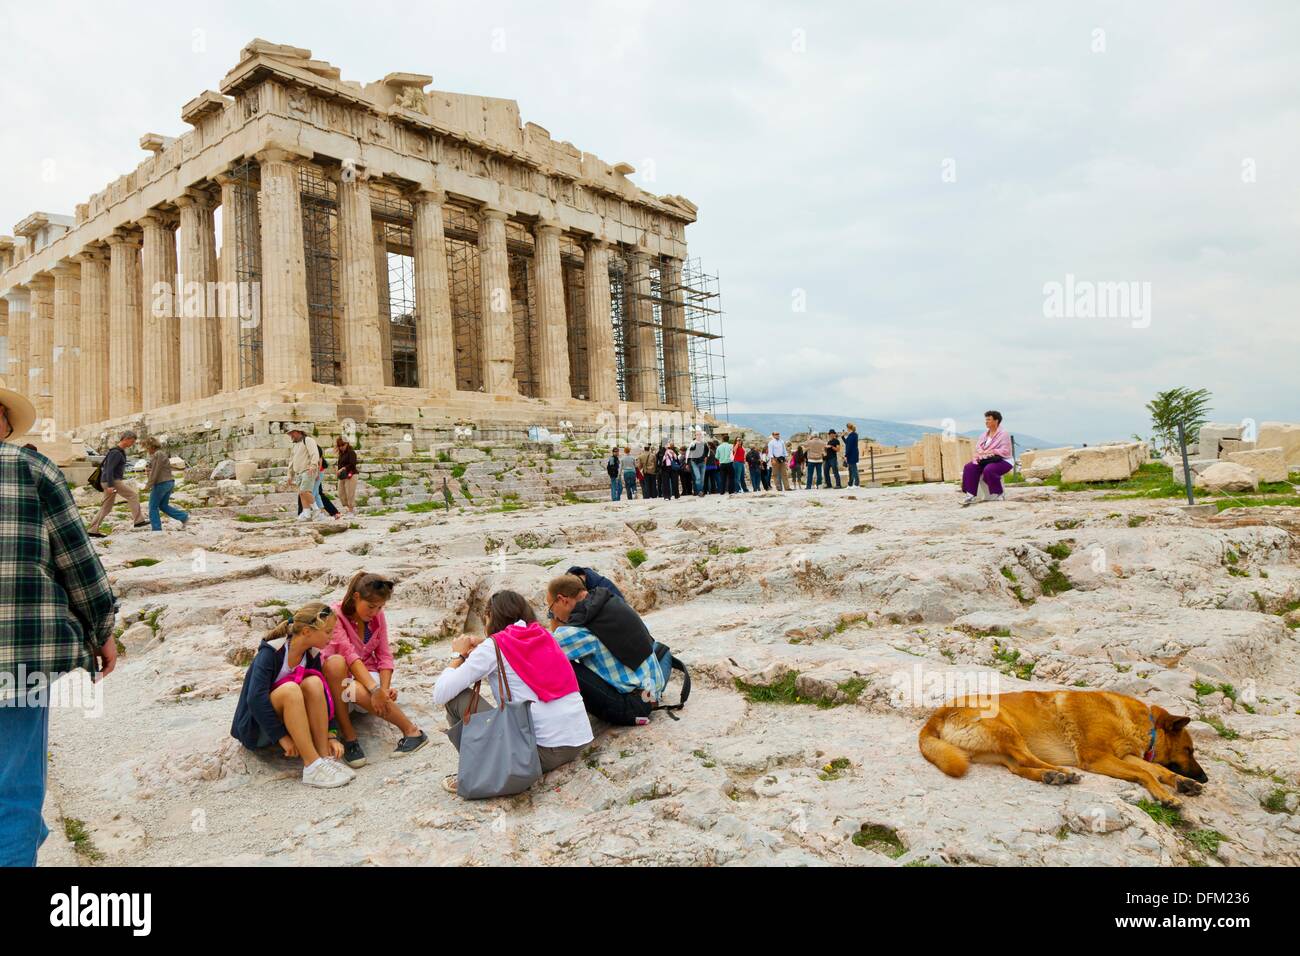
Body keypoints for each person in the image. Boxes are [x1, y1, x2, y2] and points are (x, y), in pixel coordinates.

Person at [0, 383, 118, 865]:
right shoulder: (29, 468)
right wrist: (102, 630)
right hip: (19, 654)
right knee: (14, 789)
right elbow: (77, 559)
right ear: (4, 424)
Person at [434, 590, 593, 794]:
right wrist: (483, 644)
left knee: (456, 698)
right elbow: (513, 647)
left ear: (491, 616)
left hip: (541, 753)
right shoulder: (542, 634)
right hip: (576, 742)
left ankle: (481, 770)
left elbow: (440, 693)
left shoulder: (494, 647)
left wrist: (458, 655)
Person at [230, 602, 354, 788]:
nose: (332, 636)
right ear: (306, 632)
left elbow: (325, 695)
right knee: (290, 689)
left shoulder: (311, 654)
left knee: (314, 682)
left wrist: (332, 735)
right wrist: (280, 736)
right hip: (258, 730)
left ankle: (323, 758)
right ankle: (312, 766)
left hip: (289, 722)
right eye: (328, 631)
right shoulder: (272, 652)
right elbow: (255, 698)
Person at [321, 571, 427, 768]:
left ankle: (413, 733)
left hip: (365, 679)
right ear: (356, 597)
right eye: (371, 606)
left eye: (380, 607)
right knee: (341, 672)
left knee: (354, 688)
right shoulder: (335, 616)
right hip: (338, 686)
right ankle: (351, 738)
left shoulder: (378, 617)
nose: (375, 612)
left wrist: (384, 690)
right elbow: (350, 656)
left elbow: (385, 655)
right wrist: (375, 690)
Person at [545, 574, 668, 725]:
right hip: (652, 694)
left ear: (563, 600)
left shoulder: (582, 629)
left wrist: (556, 621)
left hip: (634, 707)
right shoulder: (610, 602)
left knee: (561, 665)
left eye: (551, 610)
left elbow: (543, 653)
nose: (553, 616)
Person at [86, 430, 147, 536]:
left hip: (110, 481)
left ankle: (93, 529)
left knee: (106, 507)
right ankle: (138, 521)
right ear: (126, 439)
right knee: (132, 495)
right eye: (132, 441)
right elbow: (109, 469)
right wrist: (110, 486)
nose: (132, 444)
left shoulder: (118, 451)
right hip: (113, 482)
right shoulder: (116, 452)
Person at [962, 410, 1014, 507]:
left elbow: (1005, 451)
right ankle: (970, 495)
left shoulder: (1004, 434)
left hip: (1003, 460)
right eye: (986, 420)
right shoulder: (983, 435)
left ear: (996, 421)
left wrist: (990, 451)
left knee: (989, 470)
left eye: (989, 419)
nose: (986, 422)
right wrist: (983, 452)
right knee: (969, 467)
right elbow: (978, 447)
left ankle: (999, 493)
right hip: (986, 459)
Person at [140, 436, 189, 532]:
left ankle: (156, 529)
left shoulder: (157, 454)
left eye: (146, 448)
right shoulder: (161, 454)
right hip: (169, 483)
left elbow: (155, 471)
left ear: (150, 447)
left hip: (161, 484)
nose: (146, 450)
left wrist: (148, 485)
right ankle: (184, 517)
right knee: (163, 505)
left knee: (153, 507)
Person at [286, 427, 323, 521]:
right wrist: (290, 475)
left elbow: (314, 454)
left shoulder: (308, 440)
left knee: (304, 491)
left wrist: (313, 466)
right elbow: (291, 461)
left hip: (308, 470)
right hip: (299, 472)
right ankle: (307, 514)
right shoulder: (295, 445)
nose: (291, 436)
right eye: (290, 434)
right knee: (301, 494)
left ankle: (316, 510)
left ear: (299, 432)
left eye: (292, 433)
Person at [336, 436, 359, 516]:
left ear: (347, 444)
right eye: (339, 446)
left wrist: (343, 468)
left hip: (351, 474)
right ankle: (349, 509)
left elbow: (353, 464)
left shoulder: (351, 452)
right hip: (342, 476)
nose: (341, 447)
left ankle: (351, 510)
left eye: (343, 445)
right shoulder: (341, 454)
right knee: (341, 493)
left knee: (350, 492)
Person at [685, 431, 708, 496]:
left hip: (702, 462)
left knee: (702, 479)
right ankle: (700, 491)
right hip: (694, 462)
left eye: (700, 434)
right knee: (698, 478)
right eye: (697, 435)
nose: (699, 436)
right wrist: (687, 463)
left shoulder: (704, 443)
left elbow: (707, 451)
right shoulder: (692, 443)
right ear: (695, 436)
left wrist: (706, 457)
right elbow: (688, 453)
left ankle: (700, 491)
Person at [844, 423, 861, 487]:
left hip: (852, 454)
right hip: (852, 453)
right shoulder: (852, 435)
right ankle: (850, 484)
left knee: (854, 469)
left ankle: (856, 483)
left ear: (848, 428)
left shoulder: (852, 435)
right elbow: (847, 443)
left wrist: (846, 455)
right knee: (850, 469)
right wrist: (843, 437)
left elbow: (849, 446)